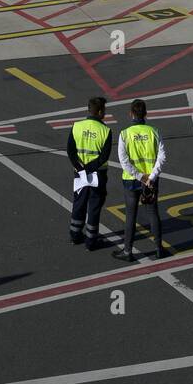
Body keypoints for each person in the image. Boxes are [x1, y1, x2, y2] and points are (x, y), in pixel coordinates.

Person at [112, 99, 167, 262]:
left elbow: (123, 161)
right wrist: (150, 177)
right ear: (146, 114)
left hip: (131, 181)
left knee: (131, 215)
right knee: (153, 213)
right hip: (151, 181)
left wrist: (139, 176)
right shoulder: (154, 132)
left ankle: (128, 251)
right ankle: (158, 248)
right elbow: (162, 157)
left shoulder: (124, 134)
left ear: (131, 114)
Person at [67, 96, 112, 250]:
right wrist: (90, 167)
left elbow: (70, 150)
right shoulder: (105, 131)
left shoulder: (77, 126)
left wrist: (80, 167)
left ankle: (75, 235)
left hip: (79, 173)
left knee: (79, 202)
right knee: (94, 206)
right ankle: (91, 241)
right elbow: (104, 156)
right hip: (97, 175)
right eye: (104, 110)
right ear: (99, 112)